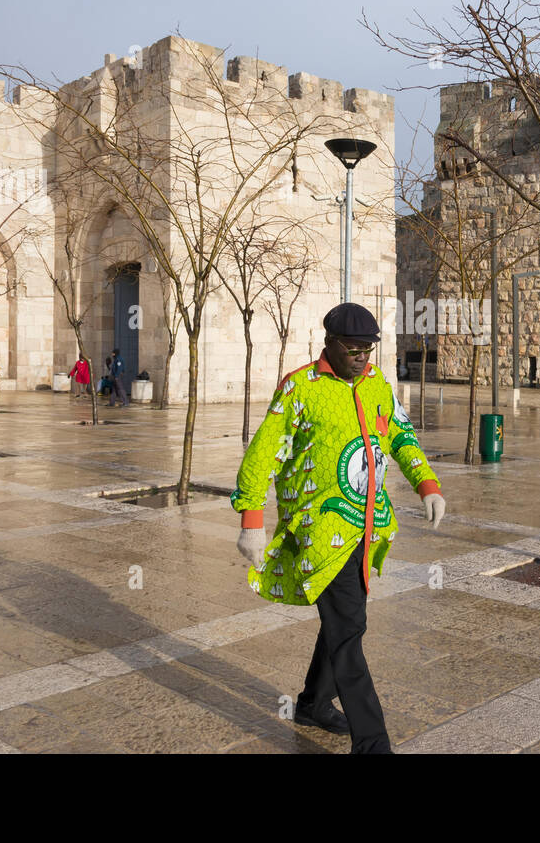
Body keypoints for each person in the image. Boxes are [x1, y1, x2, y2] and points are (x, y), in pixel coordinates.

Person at [231, 302, 447, 754]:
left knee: (345, 622)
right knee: (349, 630)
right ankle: (373, 744)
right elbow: (261, 454)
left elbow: (401, 435)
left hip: (366, 529)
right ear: (328, 342)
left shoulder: (376, 386)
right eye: (353, 350)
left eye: (368, 350)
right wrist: (252, 521)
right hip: (318, 530)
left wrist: (427, 483)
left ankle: (311, 703)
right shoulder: (300, 389)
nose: (362, 358)